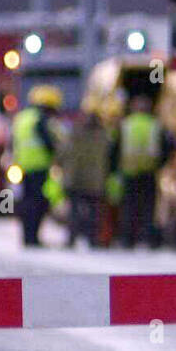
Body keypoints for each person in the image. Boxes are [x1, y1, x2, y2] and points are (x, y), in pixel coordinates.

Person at [112, 95, 174, 249]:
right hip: (149, 172)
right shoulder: (155, 125)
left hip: (129, 172)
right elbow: (168, 146)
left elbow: (114, 148)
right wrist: (160, 164)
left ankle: (127, 239)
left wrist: (115, 168)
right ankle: (145, 239)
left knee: (128, 207)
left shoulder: (125, 125)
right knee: (148, 208)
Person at [11, 84, 64, 246]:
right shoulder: (39, 119)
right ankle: (33, 237)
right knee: (39, 204)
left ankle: (28, 237)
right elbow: (49, 143)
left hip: (23, 167)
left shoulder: (22, 117)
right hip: (39, 167)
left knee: (26, 203)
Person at [60, 96, 112, 248]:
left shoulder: (74, 133)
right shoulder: (104, 135)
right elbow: (110, 156)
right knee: (93, 213)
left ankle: (71, 239)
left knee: (74, 211)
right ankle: (93, 240)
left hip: (75, 177)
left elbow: (63, 152)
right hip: (95, 180)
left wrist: (62, 166)